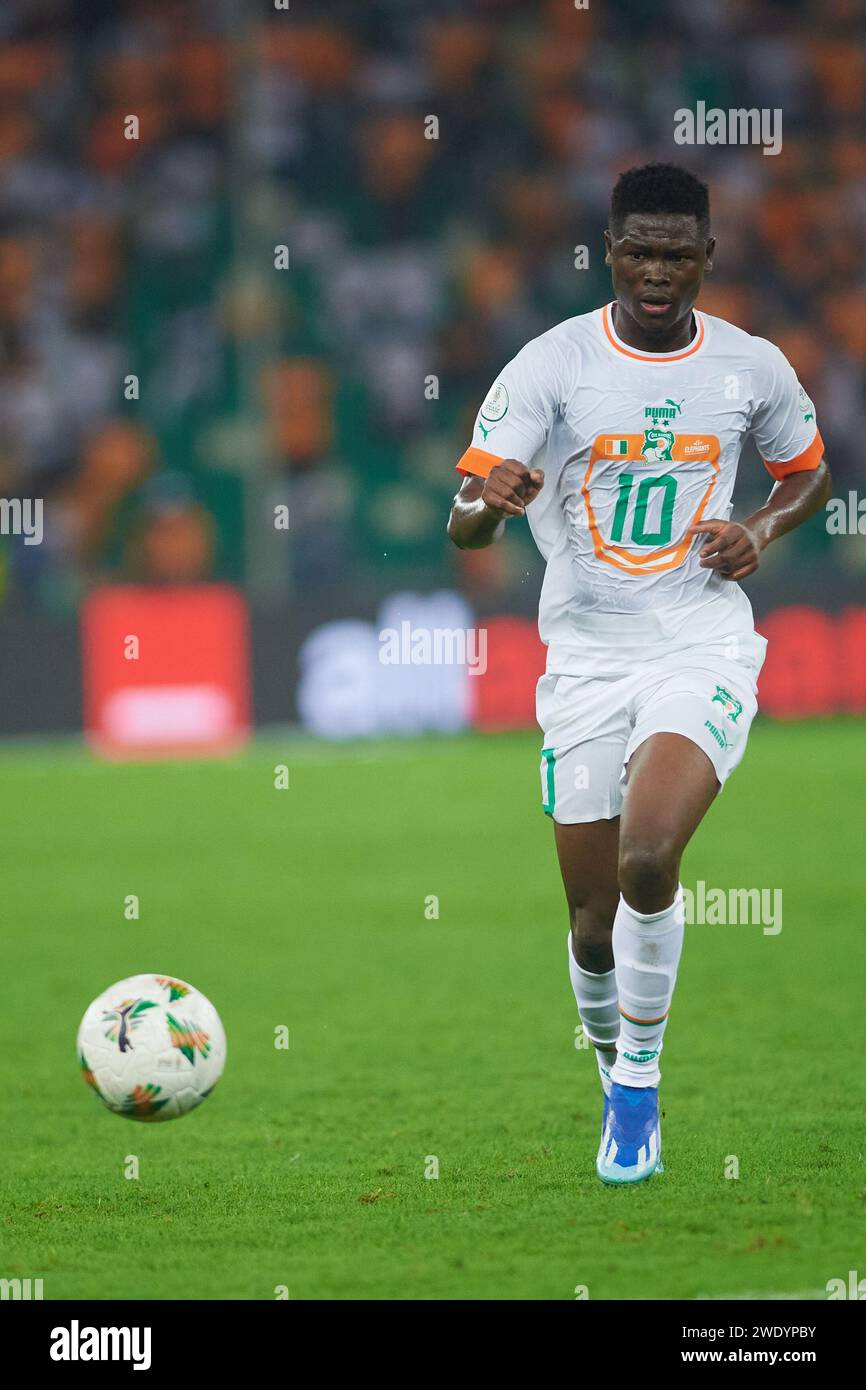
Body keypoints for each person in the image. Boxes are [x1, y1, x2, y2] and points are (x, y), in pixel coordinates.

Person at [447, 162, 831, 1185]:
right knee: (587, 924)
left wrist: (757, 528)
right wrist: (494, 497)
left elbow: (807, 473)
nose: (654, 271)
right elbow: (463, 525)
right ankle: (613, 1065)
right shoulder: (550, 364)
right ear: (608, 253)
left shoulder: (748, 365)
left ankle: (637, 1094)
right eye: (636, 251)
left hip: (696, 643)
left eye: (675, 252)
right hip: (582, 660)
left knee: (645, 862)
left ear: (706, 256)